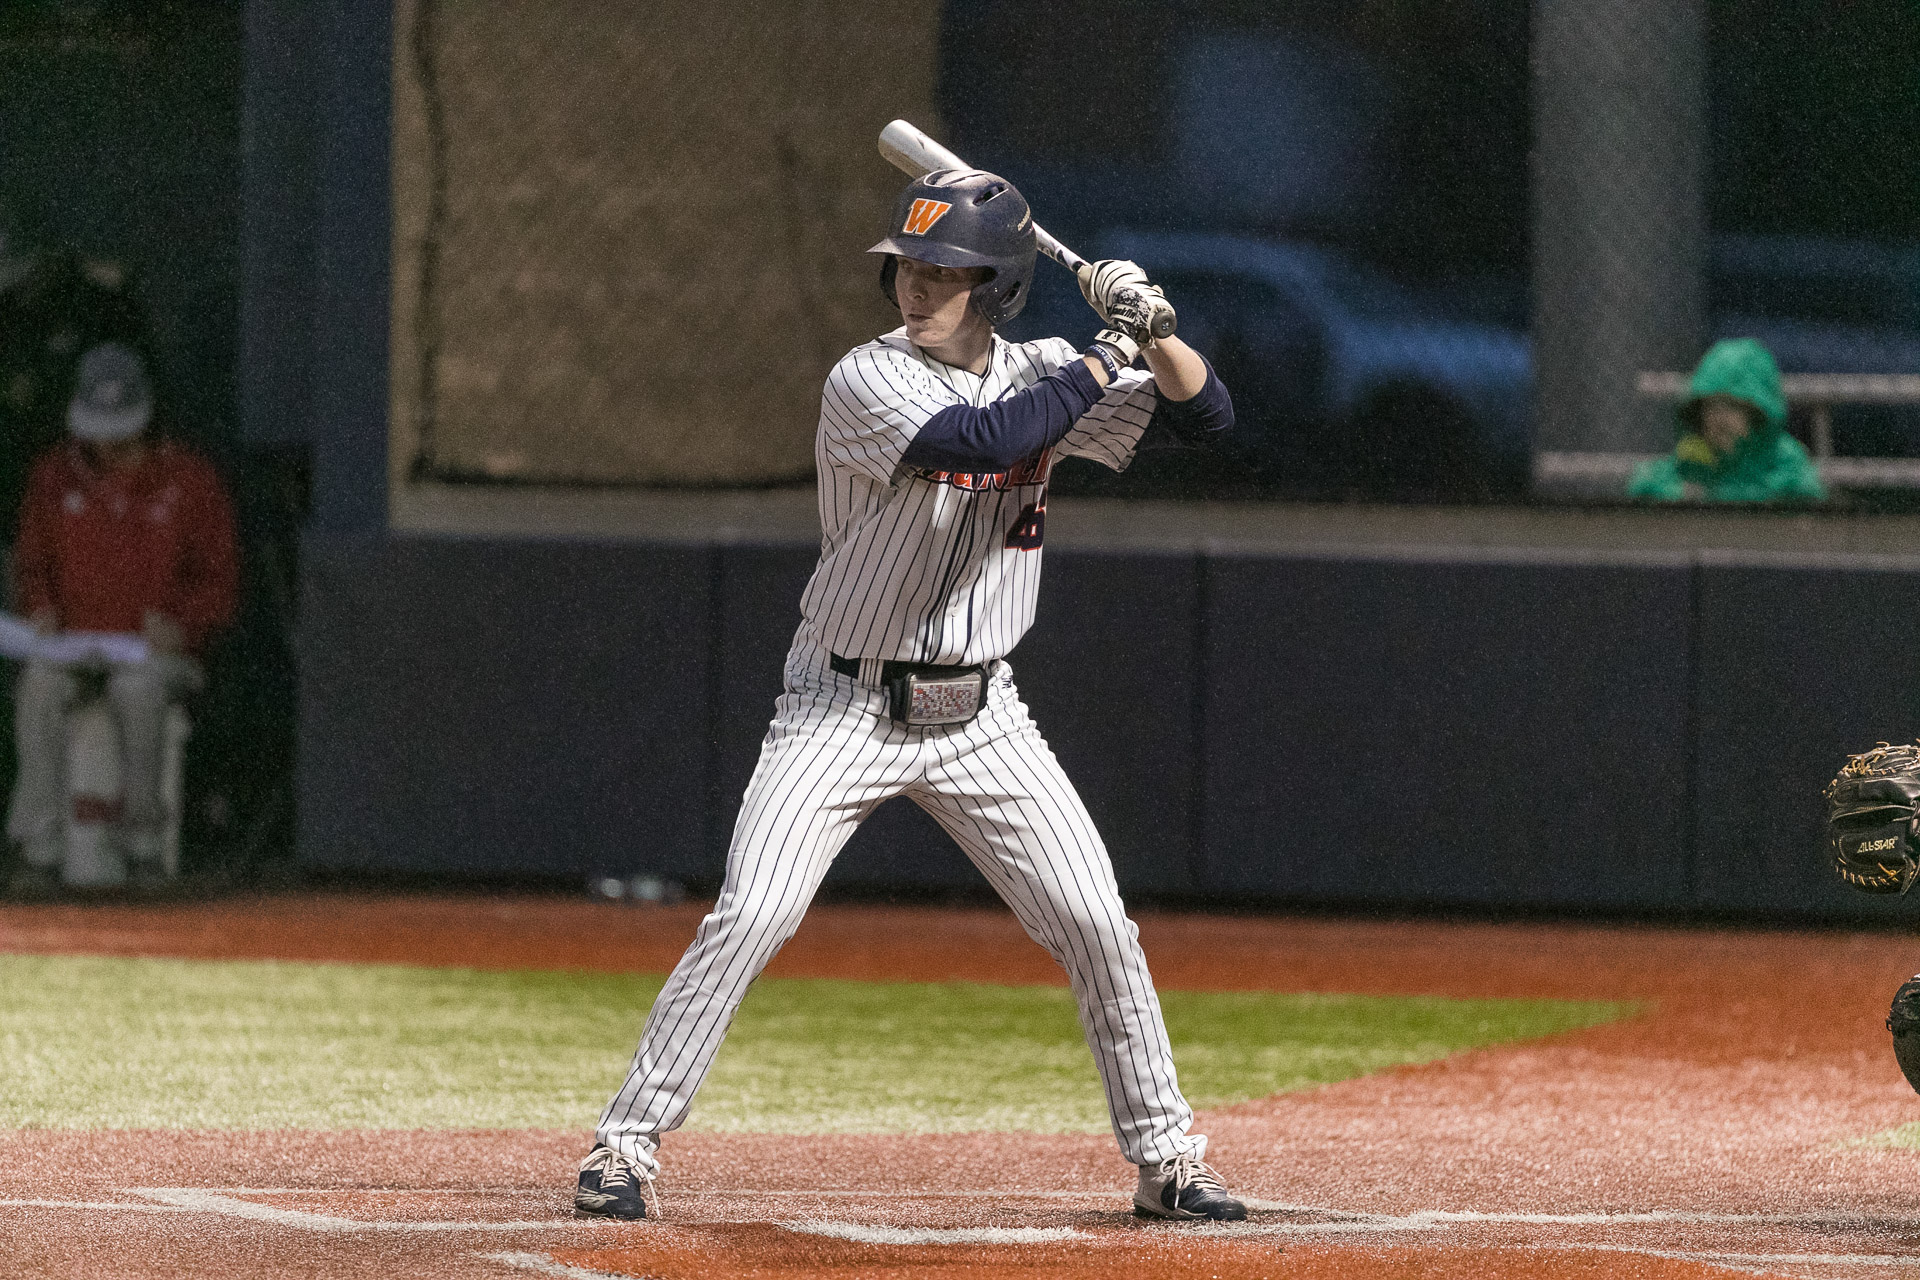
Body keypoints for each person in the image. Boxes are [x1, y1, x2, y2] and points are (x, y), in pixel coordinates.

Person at [574, 170, 1242, 1223]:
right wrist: (1110, 348)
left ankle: (1169, 1156)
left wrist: (1156, 326)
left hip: (983, 716)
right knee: (755, 911)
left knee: (1097, 921)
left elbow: (1208, 414)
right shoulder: (867, 378)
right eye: (909, 268)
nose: (917, 288)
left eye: (947, 272)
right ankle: (625, 1144)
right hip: (842, 703)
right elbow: (984, 443)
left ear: (998, 285)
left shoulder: (1044, 369)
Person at [5, 342, 238, 894]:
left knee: (139, 691)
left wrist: (181, 625)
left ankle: (143, 853)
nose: (109, 446)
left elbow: (222, 587)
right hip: (73, 646)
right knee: (38, 686)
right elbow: (31, 565)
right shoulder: (52, 476)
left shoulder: (190, 480)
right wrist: (40, 610)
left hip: (155, 654)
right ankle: (37, 853)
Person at [1627, 337, 1825, 503]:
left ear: (1759, 414)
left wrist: (1709, 496)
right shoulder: (1695, 460)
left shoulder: (1785, 461)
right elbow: (1645, 485)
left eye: (1732, 406)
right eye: (1711, 407)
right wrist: (1679, 492)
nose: (1720, 419)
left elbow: (1803, 494)